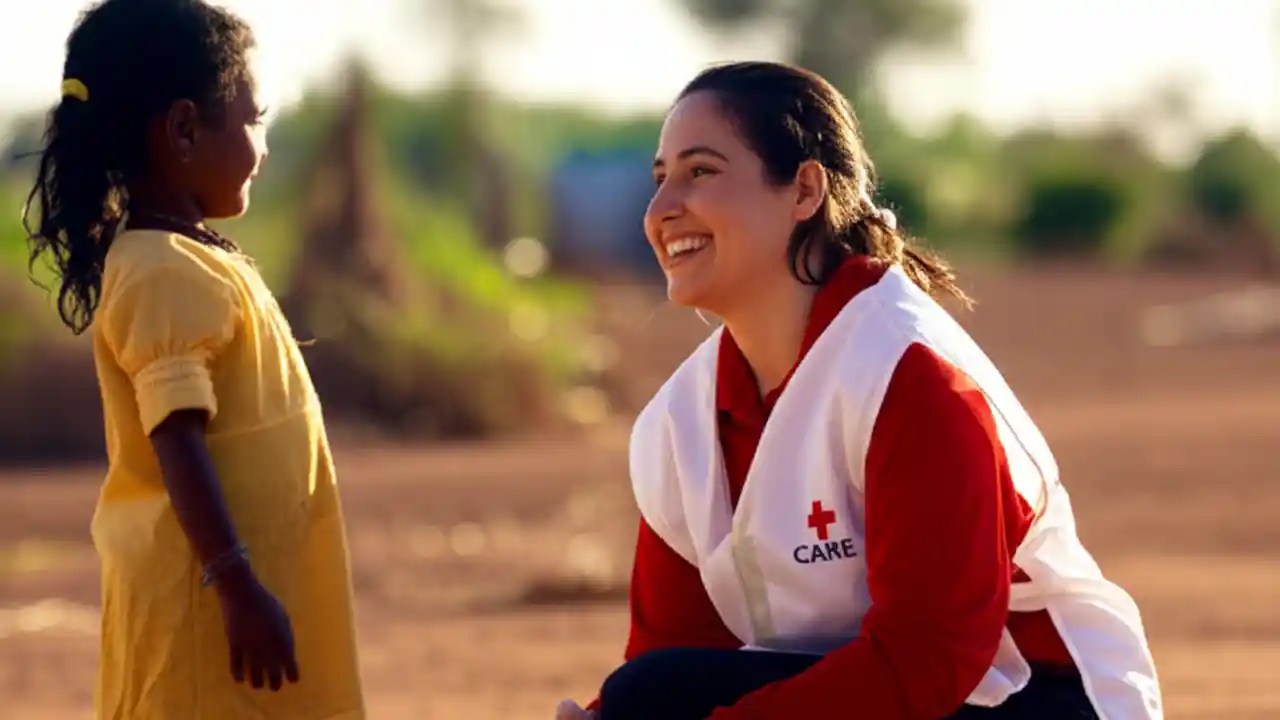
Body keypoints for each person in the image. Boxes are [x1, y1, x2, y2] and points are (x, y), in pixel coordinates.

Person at [556, 61, 1162, 720]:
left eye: (700, 172)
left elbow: (929, 658)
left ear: (804, 190)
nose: (661, 210)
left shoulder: (907, 372)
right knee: (642, 697)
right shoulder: (679, 423)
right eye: (660, 179)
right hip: (893, 689)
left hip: (1038, 696)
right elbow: (678, 650)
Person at [24, 1, 364, 717]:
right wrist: (234, 583)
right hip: (204, 621)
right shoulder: (160, 270)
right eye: (253, 119)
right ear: (183, 129)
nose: (262, 146)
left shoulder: (193, 257)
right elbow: (177, 438)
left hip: (236, 607)